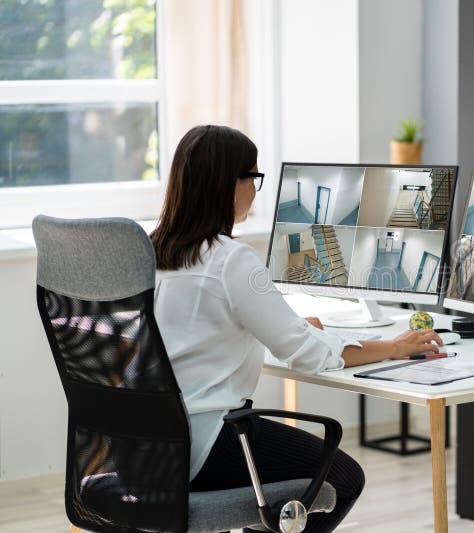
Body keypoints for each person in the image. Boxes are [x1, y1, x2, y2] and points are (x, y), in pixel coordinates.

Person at [150, 125, 443, 532]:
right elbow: (308, 355)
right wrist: (392, 347)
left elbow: (195, 329)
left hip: (145, 449)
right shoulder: (232, 260)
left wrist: (281, 325)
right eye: (253, 178)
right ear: (227, 185)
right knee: (342, 478)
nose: (256, 190)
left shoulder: (149, 252)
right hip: (206, 442)